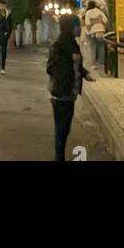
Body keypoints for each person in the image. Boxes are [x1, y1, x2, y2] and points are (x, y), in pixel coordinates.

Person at [46, 13, 90, 161]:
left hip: (70, 93)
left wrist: (83, 73)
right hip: (61, 92)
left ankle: (60, 156)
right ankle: (59, 158)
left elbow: (75, 64)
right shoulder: (59, 44)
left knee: (65, 129)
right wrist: (67, 76)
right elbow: (50, 67)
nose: (80, 28)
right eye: (77, 25)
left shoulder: (72, 43)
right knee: (61, 129)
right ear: (69, 27)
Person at [0, 2, 12, 72]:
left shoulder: (8, 14)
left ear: (5, 6)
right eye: (0, 5)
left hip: (4, 35)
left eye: (3, 5)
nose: (1, 6)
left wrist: (8, 33)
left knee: (4, 52)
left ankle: (3, 67)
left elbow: (10, 24)